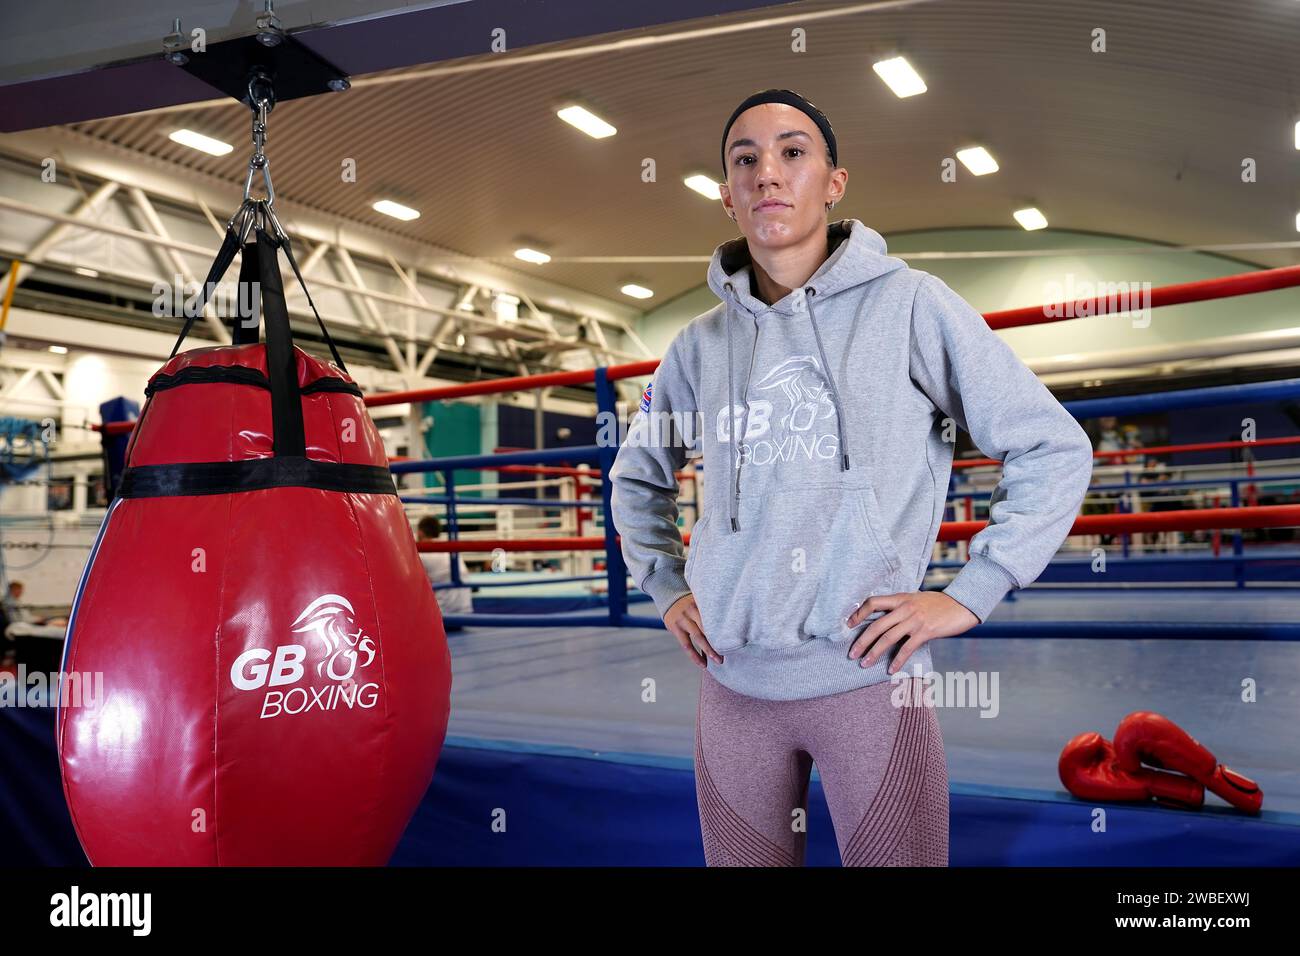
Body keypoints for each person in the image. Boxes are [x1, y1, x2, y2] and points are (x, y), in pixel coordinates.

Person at [609, 88, 1094, 866]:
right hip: (732, 689)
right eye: (745, 160)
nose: (768, 172)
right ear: (728, 195)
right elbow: (637, 480)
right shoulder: (697, 349)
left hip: (869, 680)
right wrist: (668, 588)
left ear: (833, 184)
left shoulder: (911, 305)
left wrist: (970, 593)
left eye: (793, 152)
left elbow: (1052, 446)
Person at [415, 515, 474, 630]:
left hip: (443, 618)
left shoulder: (422, 553)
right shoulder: (450, 549)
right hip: (466, 614)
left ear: (420, 532)